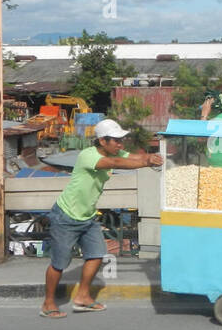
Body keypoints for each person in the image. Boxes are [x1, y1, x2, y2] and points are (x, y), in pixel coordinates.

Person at [40, 118, 162, 317]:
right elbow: (116, 163)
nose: (120, 144)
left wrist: (151, 158)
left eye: (121, 140)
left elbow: (131, 156)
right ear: (103, 141)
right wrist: (145, 162)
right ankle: (48, 303)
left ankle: (83, 297)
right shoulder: (88, 156)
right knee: (59, 264)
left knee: (96, 255)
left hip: (87, 216)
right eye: (116, 140)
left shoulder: (115, 151)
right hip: (66, 216)